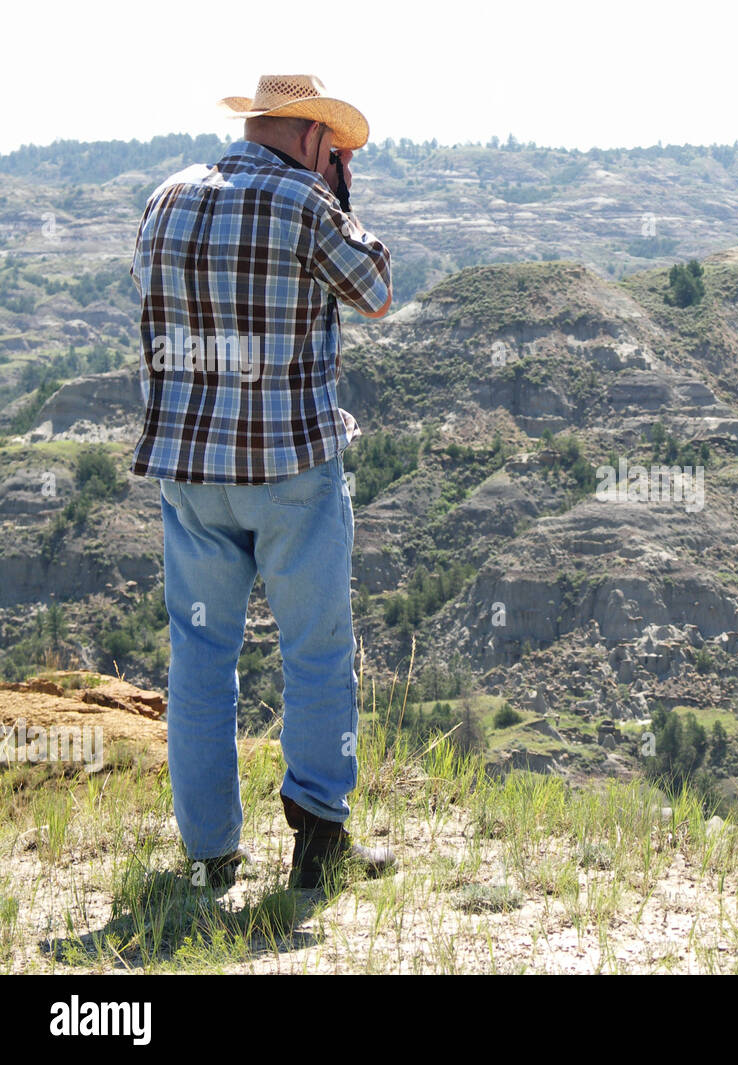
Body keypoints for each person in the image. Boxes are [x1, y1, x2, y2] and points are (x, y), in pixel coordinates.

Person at [130, 75, 396, 892]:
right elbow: (378, 292)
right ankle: (319, 845)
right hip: (290, 471)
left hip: (189, 472)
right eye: (337, 150)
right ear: (315, 138)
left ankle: (212, 856)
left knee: (200, 657)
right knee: (314, 650)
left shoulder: (164, 199)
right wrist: (342, 199)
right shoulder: (309, 206)